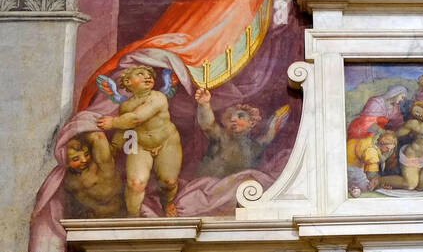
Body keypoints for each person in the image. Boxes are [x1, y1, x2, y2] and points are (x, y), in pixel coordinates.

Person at [97, 64, 182, 217]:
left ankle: (167, 202)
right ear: (128, 82)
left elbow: (136, 118)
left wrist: (113, 122)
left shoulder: (158, 97)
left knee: (169, 181)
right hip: (140, 145)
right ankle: (133, 216)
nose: (147, 76)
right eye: (140, 74)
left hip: (167, 142)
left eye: (149, 75)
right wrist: (114, 148)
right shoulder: (125, 106)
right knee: (135, 184)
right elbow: (124, 130)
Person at [193, 90, 289, 178]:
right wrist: (204, 104)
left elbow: (268, 137)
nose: (233, 119)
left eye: (240, 116)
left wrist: (275, 122)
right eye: (229, 118)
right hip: (209, 184)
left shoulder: (253, 146)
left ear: (251, 123)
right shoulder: (221, 136)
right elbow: (208, 125)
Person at [63, 131, 124, 219]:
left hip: (117, 212)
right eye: (76, 159)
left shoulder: (101, 164)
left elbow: (98, 136)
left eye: (86, 154)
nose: (84, 160)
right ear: (65, 161)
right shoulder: (69, 180)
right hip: (93, 217)